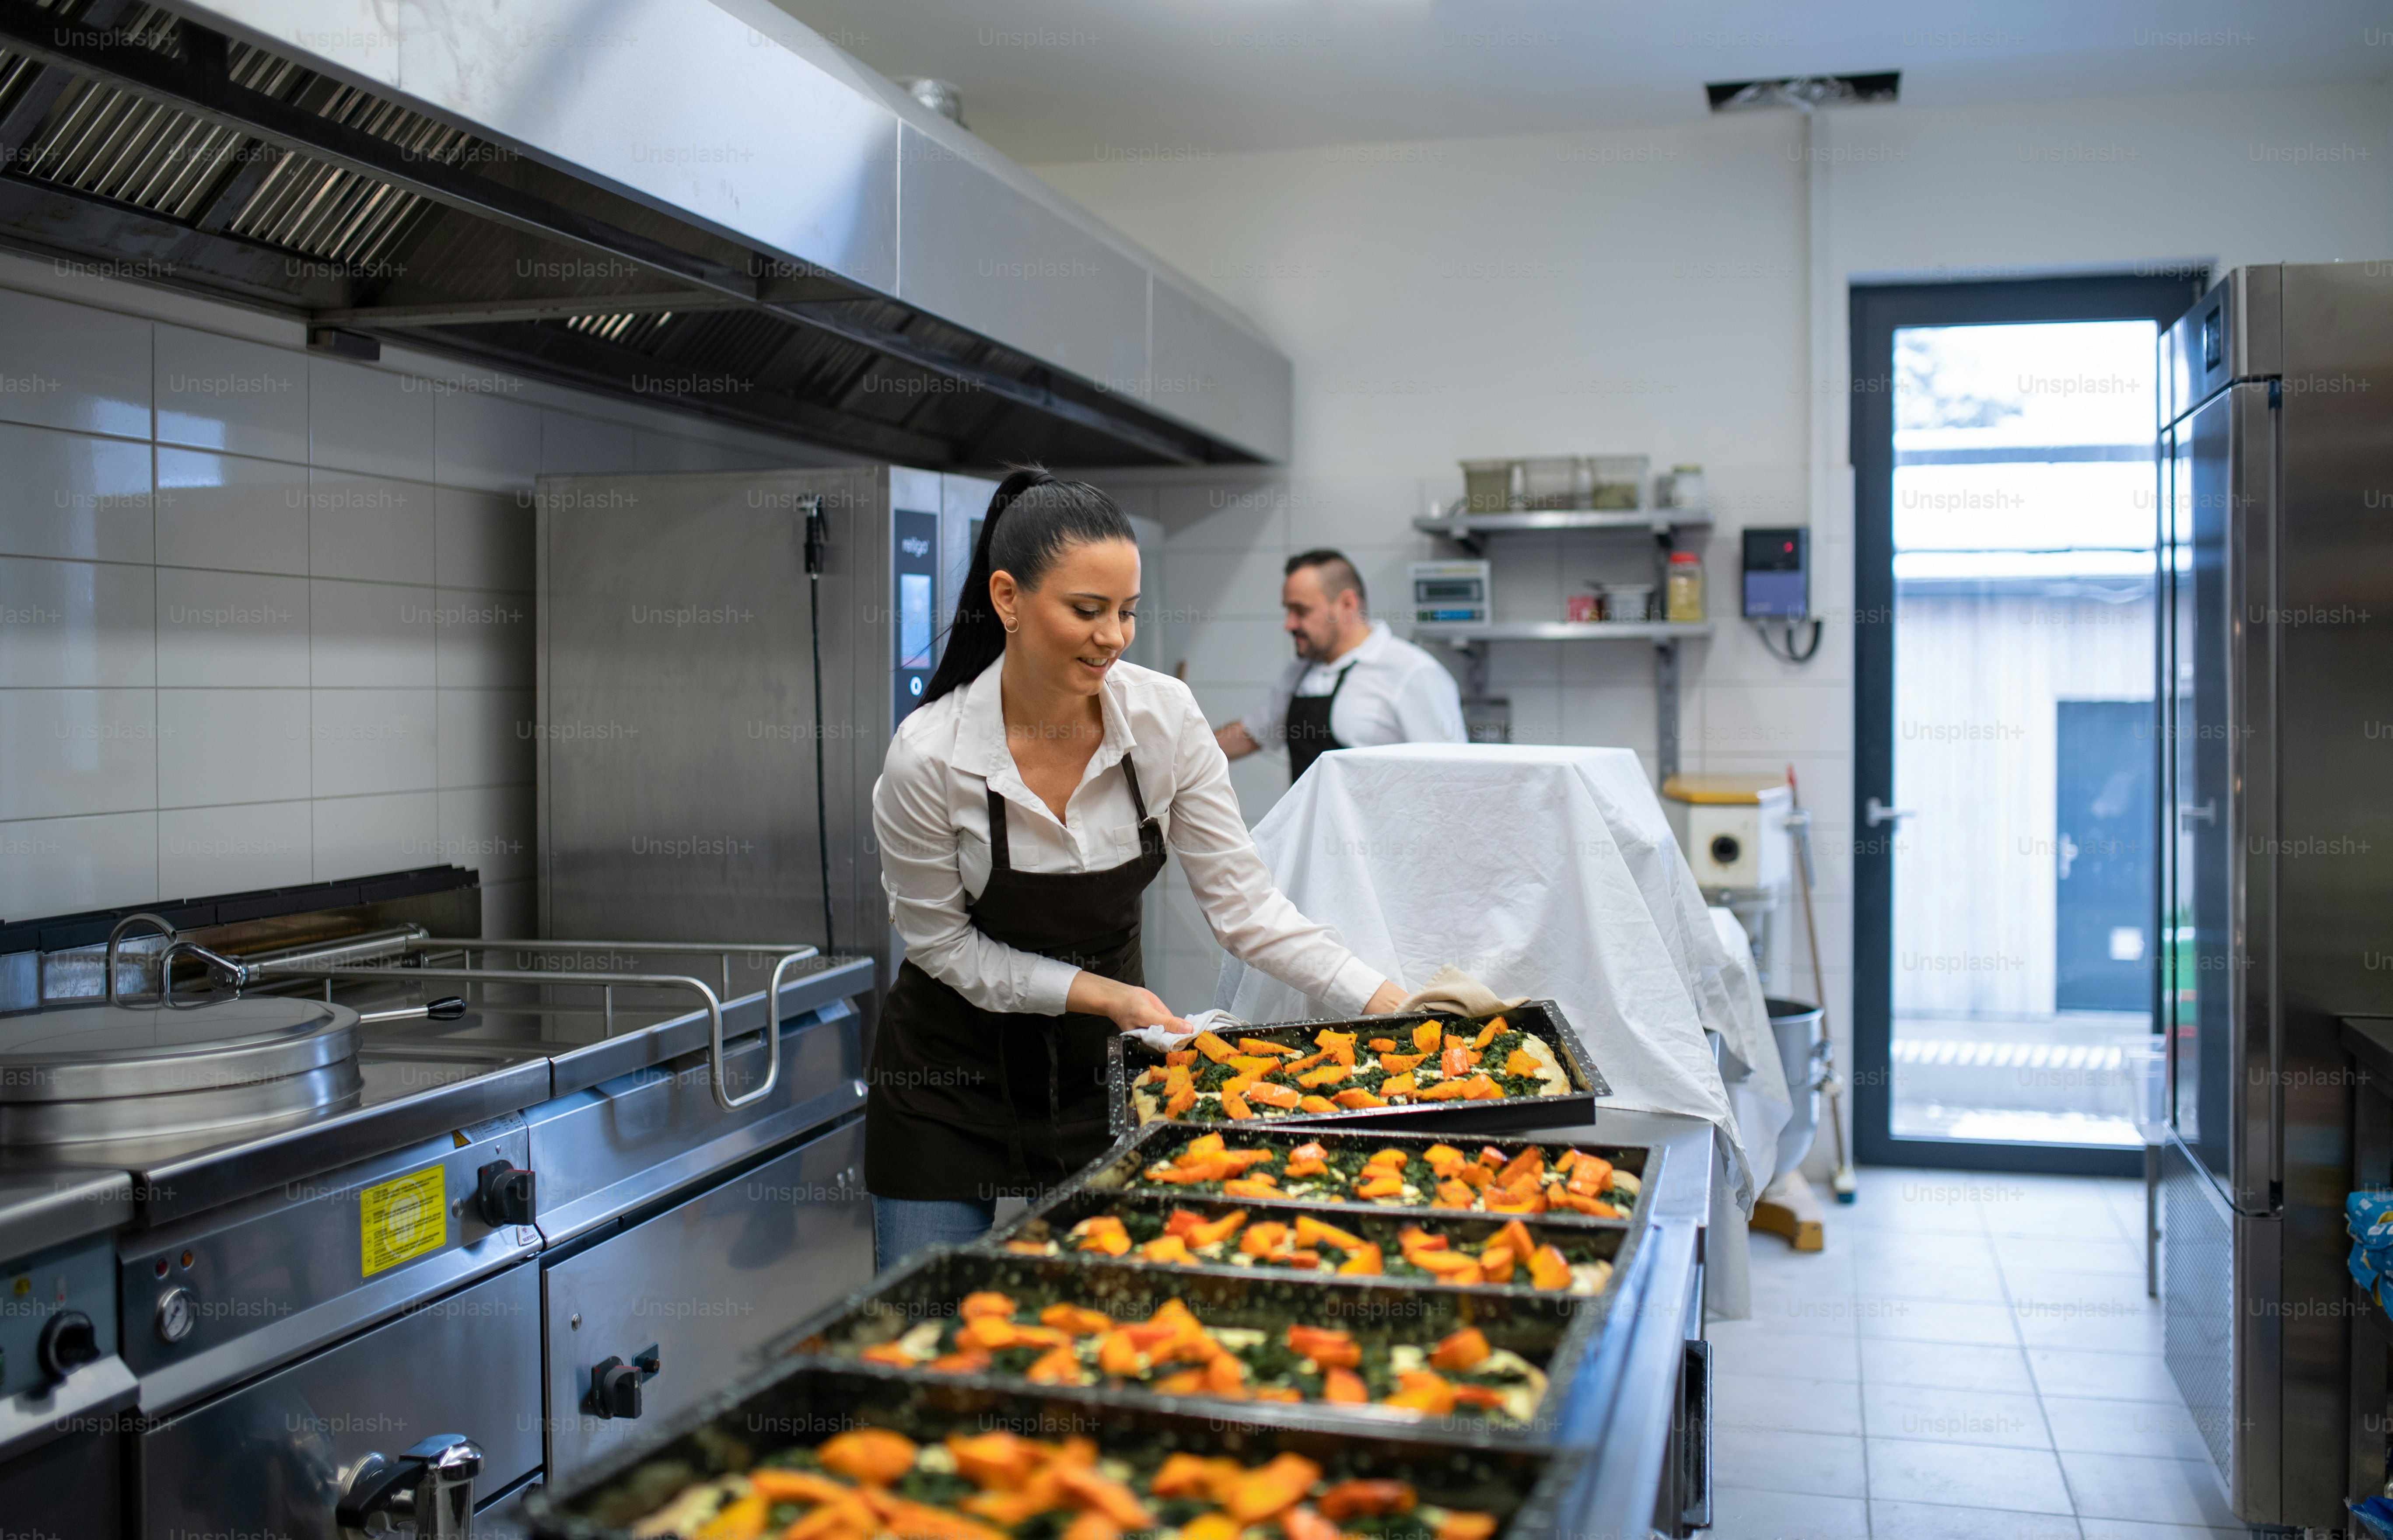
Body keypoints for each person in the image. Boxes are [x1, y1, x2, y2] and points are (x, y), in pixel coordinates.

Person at [866, 471, 1406, 1269]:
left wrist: (1389, 998)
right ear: (1008, 599)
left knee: (1095, 1340)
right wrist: (1101, 994)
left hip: (1107, 1080)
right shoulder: (930, 757)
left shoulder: (1164, 721)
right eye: (1087, 611)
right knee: (923, 1347)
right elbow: (941, 948)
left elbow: (1247, 908)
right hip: (946, 1088)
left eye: (1126, 612)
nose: (1114, 636)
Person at [1215, 549, 1467, 782]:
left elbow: (1452, 779)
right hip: (1312, 832)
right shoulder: (1300, 672)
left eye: (1300, 611)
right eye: (1288, 611)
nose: (1289, 624)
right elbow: (1252, 734)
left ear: (1347, 605)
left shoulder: (1412, 672)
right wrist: (1182, 755)